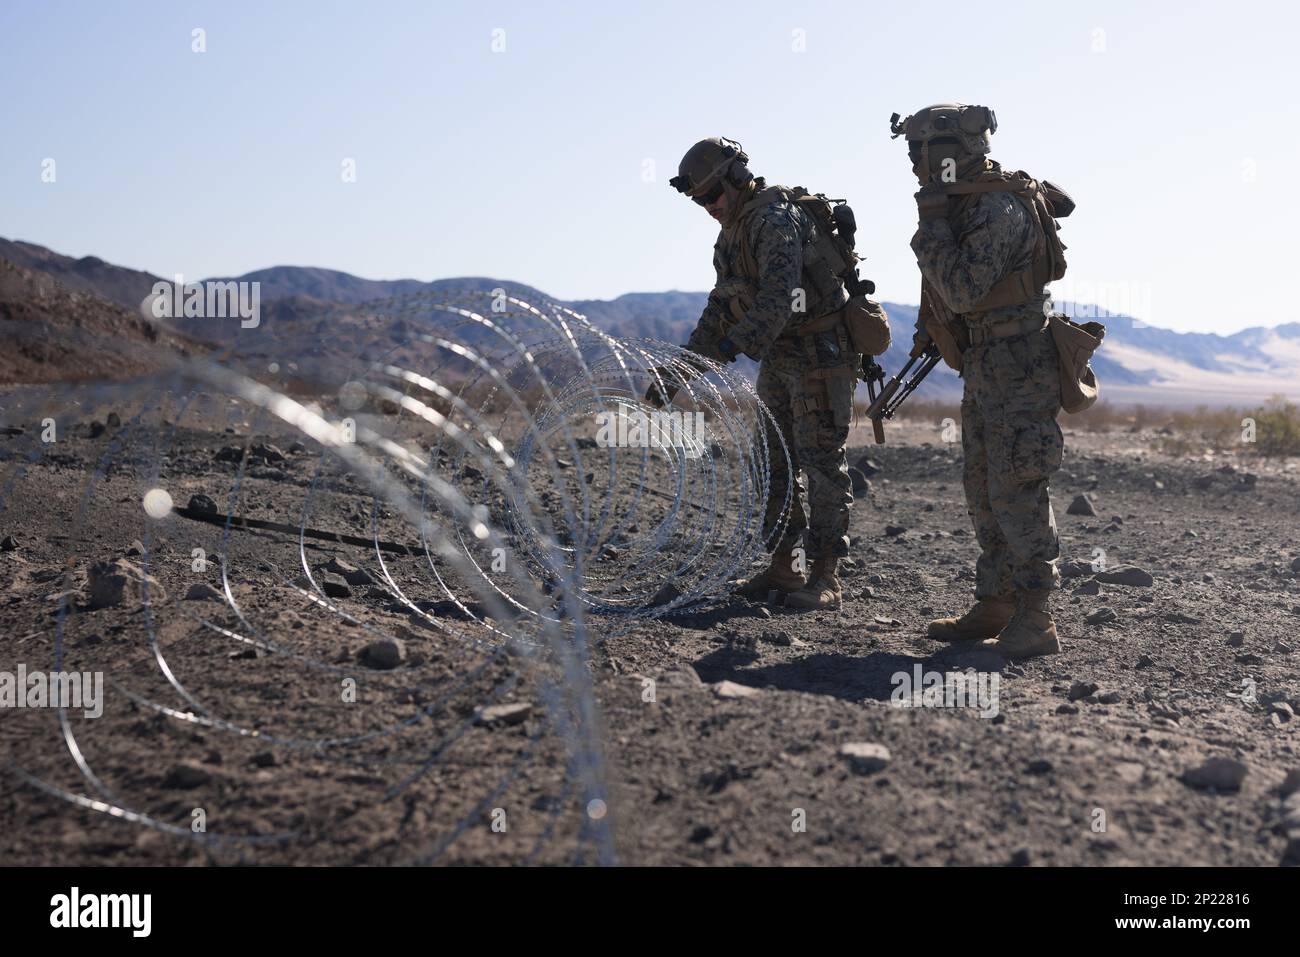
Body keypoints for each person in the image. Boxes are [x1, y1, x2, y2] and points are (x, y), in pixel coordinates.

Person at [652, 137, 887, 610]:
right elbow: (721, 305)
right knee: (772, 461)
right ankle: (786, 567)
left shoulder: (775, 221)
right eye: (700, 201)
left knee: (820, 463)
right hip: (782, 356)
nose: (708, 207)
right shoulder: (733, 232)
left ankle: (825, 576)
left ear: (736, 180)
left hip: (820, 353)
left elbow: (779, 300)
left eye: (713, 195)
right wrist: (683, 368)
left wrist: (731, 347)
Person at [893, 103, 1066, 659]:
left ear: (945, 150)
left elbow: (965, 288)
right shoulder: (968, 202)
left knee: (1017, 483)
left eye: (918, 150)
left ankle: (1036, 616)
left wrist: (931, 228)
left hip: (1018, 361)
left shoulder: (994, 205)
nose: (914, 163)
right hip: (990, 361)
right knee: (983, 484)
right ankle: (996, 601)